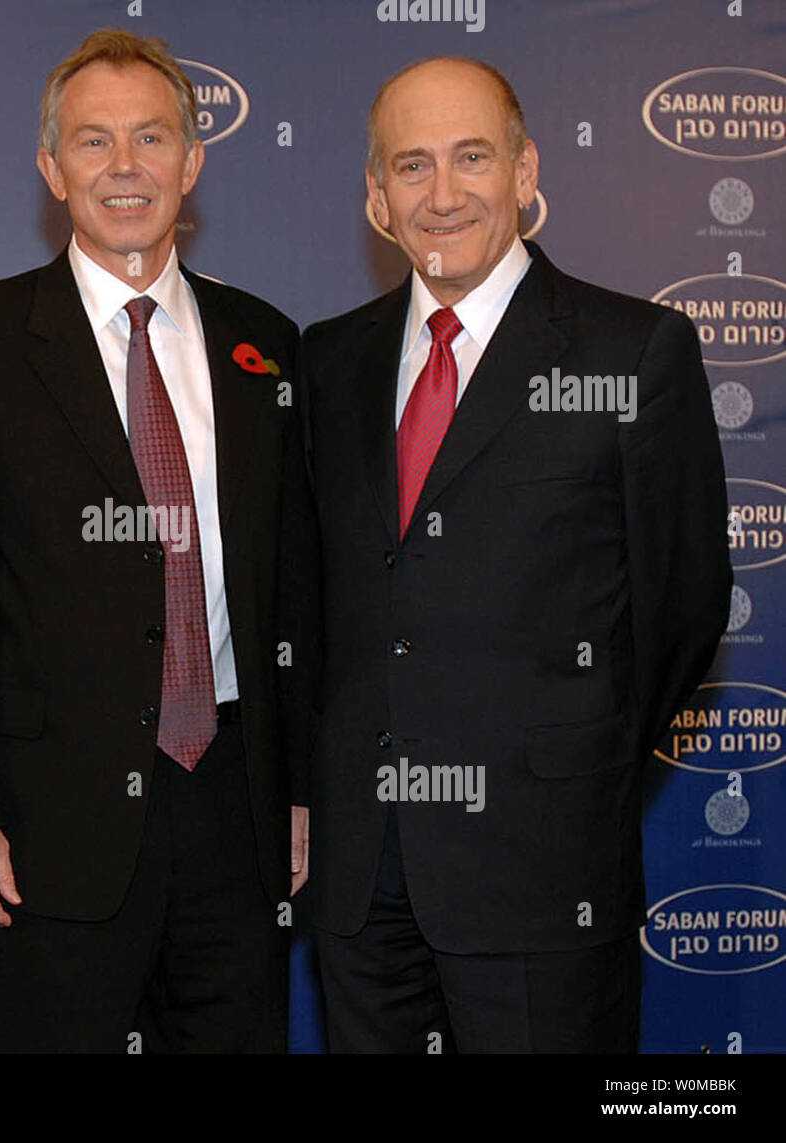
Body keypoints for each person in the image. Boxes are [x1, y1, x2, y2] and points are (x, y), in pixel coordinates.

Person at [0, 29, 318, 1053]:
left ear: (192, 160)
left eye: (150, 138)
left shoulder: (266, 344)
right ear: (50, 167)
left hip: (234, 814)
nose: (124, 169)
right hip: (46, 825)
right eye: (92, 142)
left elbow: (295, 588)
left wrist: (298, 788)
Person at [301, 56, 731, 1053]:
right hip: (363, 886)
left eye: (471, 158)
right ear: (375, 196)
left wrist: (562, 768)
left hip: (543, 877)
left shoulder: (633, 352)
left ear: (526, 170)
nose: (442, 195)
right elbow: (322, 603)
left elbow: (681, 610)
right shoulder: (329, 360)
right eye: (410, 166)